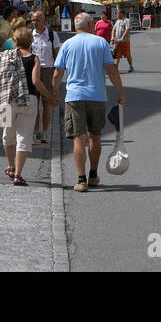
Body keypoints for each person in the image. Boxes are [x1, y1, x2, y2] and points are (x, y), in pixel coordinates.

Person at [54, 12, 125, 192]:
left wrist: (53, 93)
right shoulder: (100, 43)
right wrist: (121, 92)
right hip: (97, 95)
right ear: (90, 25)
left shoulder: (67, 44)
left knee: (78, 138)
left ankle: (81, 179)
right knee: (95, 136)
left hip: (75, 97)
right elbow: (111, 69)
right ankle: (93, 175)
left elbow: (58, 73)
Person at [0, 26, 53, 186]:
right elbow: (36, 82)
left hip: (5, 101)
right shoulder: (34, 58)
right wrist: (49, 96)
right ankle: (18, 174)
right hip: (27, 99)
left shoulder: (3, 56)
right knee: (23, 137)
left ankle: (11, 165)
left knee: (7, 134)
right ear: (30, 41)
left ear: (15, 41)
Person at [30, 10, 61, 145]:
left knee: (47, 102)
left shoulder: (52, 35)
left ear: (44, 21)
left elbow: (58, 55)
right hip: (33, 70)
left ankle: (45, 132)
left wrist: (57, 72)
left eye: (37, 20)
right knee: (34, 103)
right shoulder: (30, 35)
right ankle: (36, 132)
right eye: (33, 20)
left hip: (48, 70)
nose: (34, 23)